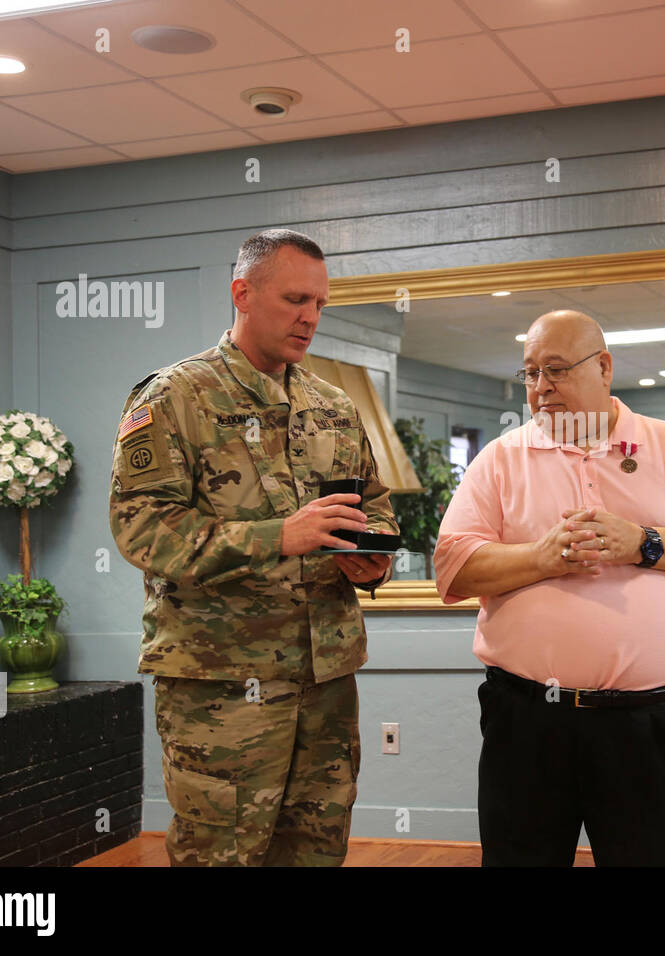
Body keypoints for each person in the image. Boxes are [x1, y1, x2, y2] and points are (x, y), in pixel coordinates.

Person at [108, 228, 397, 866]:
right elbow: (140, 528)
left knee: (316, 850)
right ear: (243, 292)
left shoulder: (332, 407)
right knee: (224, 854)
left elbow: (371, 504)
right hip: (222, 685)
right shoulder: (175, 397)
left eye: (320, 303)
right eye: (296, 299)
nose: (311, 317)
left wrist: (369, 556)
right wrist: (279, 537)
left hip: (325, 678)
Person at [433, 309, 665, 866]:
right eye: (530, 373)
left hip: (647, 724)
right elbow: (453, 570)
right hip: (527, 722)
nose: (540, 388)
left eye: (555, 370)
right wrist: (540, 557)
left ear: (603, 367)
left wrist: (645, 544)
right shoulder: (500, 461)